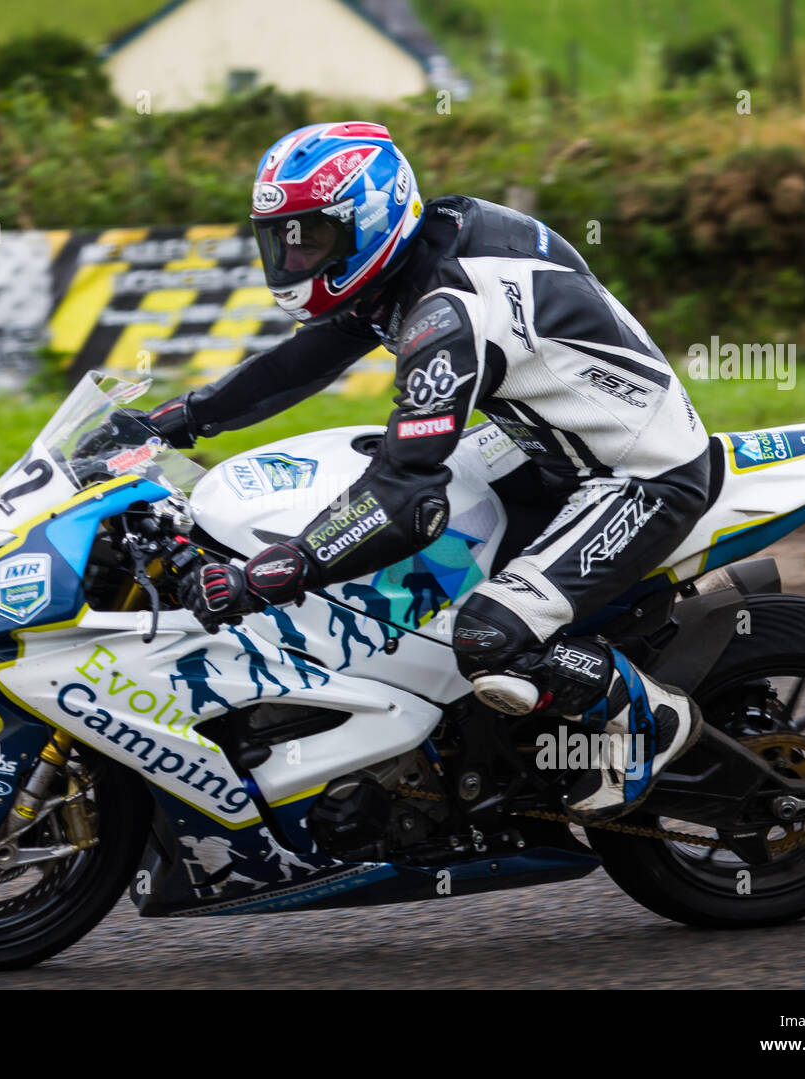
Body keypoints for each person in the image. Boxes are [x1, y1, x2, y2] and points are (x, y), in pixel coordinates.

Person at [134, 122, 710, 825]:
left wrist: (278, 570)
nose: (292, 255)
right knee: (404, 578)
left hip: (639, 473)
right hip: (540, 444)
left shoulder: (446, 311)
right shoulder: (418, 248)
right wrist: (182, 417)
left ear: (368, 220)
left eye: (310, 236)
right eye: (280, 237)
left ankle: (647, 714)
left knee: (488, 636)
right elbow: (310, 356)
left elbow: (407, 500)